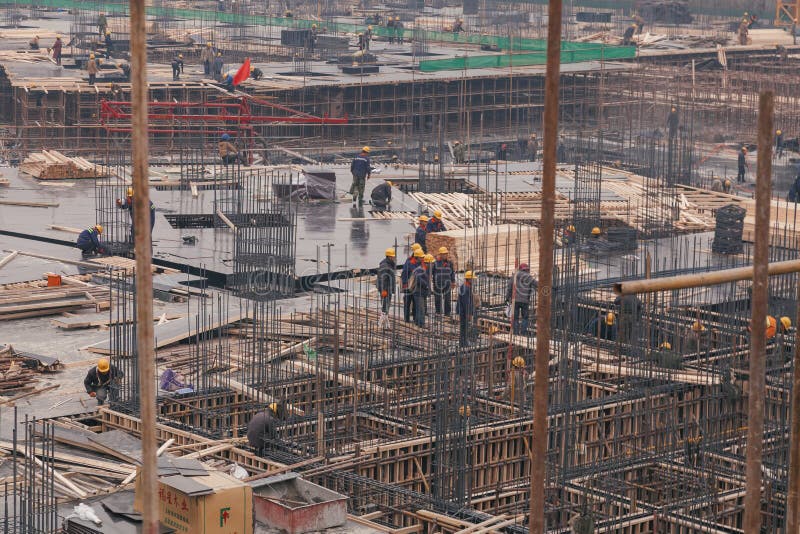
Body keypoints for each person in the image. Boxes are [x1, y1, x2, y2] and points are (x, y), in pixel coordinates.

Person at [506, 263, 536, 335]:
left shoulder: (514, 276)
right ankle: (523, 333)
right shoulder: (529, 277)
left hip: (515, 300)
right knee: (525, 318)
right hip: (525, 301)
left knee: (515, 318)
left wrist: (507, 298)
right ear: (527, 270)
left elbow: (509, 287)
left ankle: (516, 333)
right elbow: (536, 284)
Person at [402, 247, 423, 322]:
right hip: (408, 286)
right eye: (421, 257)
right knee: (407, 302)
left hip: (416, 287)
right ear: (417, 257)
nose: (422, 258)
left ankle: (415, 318)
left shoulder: (420, 264)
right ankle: (406, 319)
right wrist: (405, 284)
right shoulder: (409, 263)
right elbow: (404, 274)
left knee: (415, 303)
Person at [432, 246, 455, 316]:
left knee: (447, 299)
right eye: (444, 254)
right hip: (438, 284)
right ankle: (438, 312)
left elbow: (452, 273)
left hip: (447, 283)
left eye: (446, 254)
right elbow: (431, 273)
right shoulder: (435, 263)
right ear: (440, 254)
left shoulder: (449, 263)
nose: (445, 255)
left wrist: (453, 281)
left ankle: (447, 313)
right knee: (438, 299)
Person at [457, 271, 477, 346]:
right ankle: (464, 343)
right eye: (473, 279)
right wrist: (468, 313)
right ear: (469, 279)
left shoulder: (465, 286)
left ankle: (462, 342)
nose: (474, 281)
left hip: (462, 311)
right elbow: (466, 303)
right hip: (464, 311)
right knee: (464, 327)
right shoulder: (466, 289)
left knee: (463, 327)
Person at [411, 253, 431, 327]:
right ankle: (421, 324)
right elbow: (418, 279)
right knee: (421, 308)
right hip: (418, 292)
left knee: (419, 308)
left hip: (422, 292)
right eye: (430, 263)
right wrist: (426, 285)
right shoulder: (420, 269)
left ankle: (417, 322)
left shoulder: (425, 269)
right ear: (427, 263)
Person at [377, 248, 396, 314]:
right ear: (389, 256)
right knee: (385, 305)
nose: (394, 257)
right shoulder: (385, 265)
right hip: (385, 288)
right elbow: (382, 279)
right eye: (393, 256)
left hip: (388, 287)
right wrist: (383, 290)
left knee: (387, 303)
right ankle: (384, 316)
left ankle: (385, 315)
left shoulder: (390, 263)